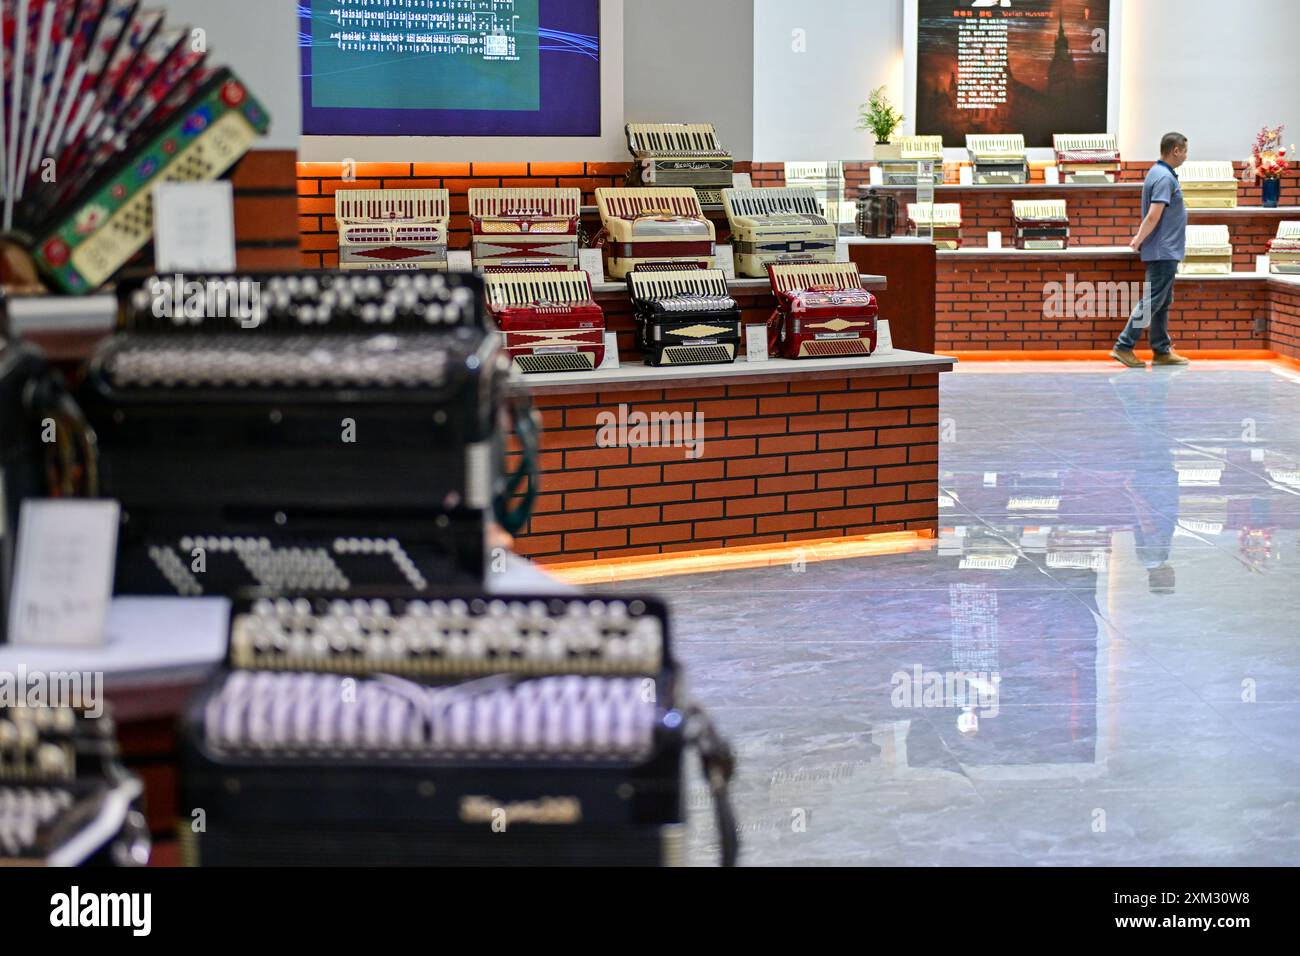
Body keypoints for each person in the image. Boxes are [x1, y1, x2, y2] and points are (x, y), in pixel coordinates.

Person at [1110, 132, 1191, 368]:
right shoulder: (1165, 178)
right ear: (1175, 150)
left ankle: (1161, 350)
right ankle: (1124, 346)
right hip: (1164, 250)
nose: (1186, 156)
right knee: (1152, 301)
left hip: (1163, 250)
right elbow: (1154, 214)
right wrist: (1138, 238)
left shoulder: (1157, 173)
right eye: (1185, 151)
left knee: (1162, 301)